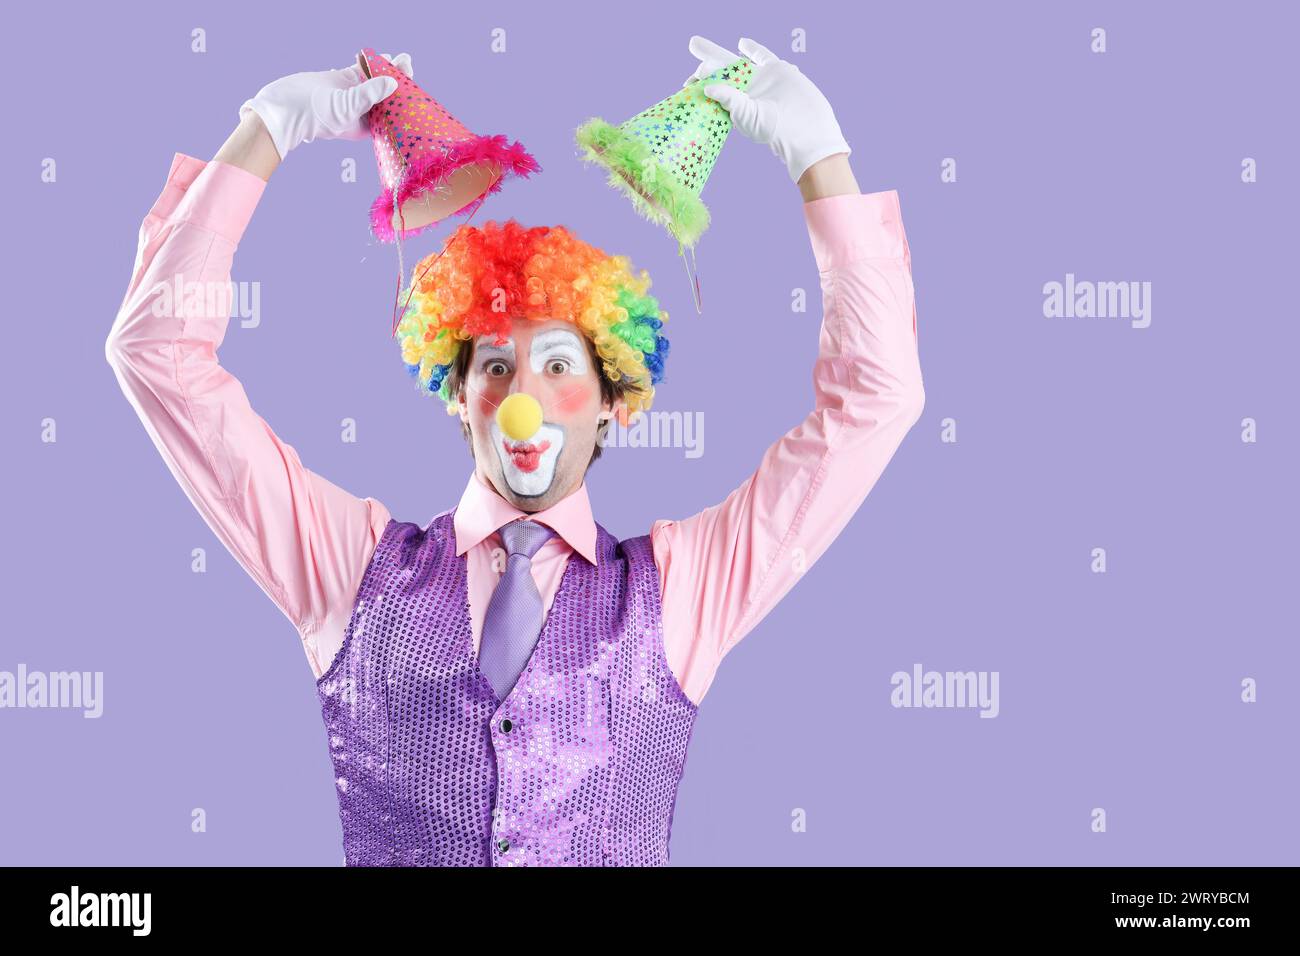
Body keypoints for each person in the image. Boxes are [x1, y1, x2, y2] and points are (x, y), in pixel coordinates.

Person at [105, 36, 925, 866]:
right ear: (459, 398)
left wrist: (822, 157)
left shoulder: (683, 590)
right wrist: (266, 130)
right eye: (495, 365)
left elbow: (878, 400)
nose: (523, 398)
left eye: (561, 366)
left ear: (614, 404)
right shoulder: (351, 569)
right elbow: (157, 357)